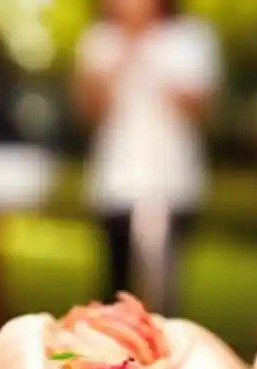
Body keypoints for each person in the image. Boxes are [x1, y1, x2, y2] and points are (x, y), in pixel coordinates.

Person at [73, 0, 221, 311]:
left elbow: (200, 108)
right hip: (117, 180)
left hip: (171, 180)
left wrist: (151, 59)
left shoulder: (189, 37)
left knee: (163, 287)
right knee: (113, 286)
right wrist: (122, 58)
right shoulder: (100, 40)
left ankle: (161, 354)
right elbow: (87, 110)